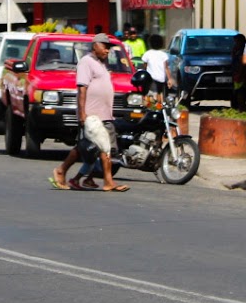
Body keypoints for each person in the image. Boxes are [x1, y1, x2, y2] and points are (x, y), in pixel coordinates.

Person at [51, 33, 126, 192]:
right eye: (104, 47)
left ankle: (72, 174)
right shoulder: (86, 62)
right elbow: (82, 88)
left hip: (104, 114)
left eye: (109, 48)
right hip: (93, 115)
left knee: (88, 148)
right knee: (104, 148)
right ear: (95, 46)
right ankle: (107, 181)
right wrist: (82, 114)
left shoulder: (101, 64)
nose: (107, 50)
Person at [140, 33, 169, 98]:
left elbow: (144, 66)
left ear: (150, 43)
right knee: (159, 94)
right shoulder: (163, 54)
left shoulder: (147, 54)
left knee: (147, 95)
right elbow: (166, 68)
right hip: (160, 78)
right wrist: (169, 79)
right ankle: (159, 106)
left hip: (150, 79)